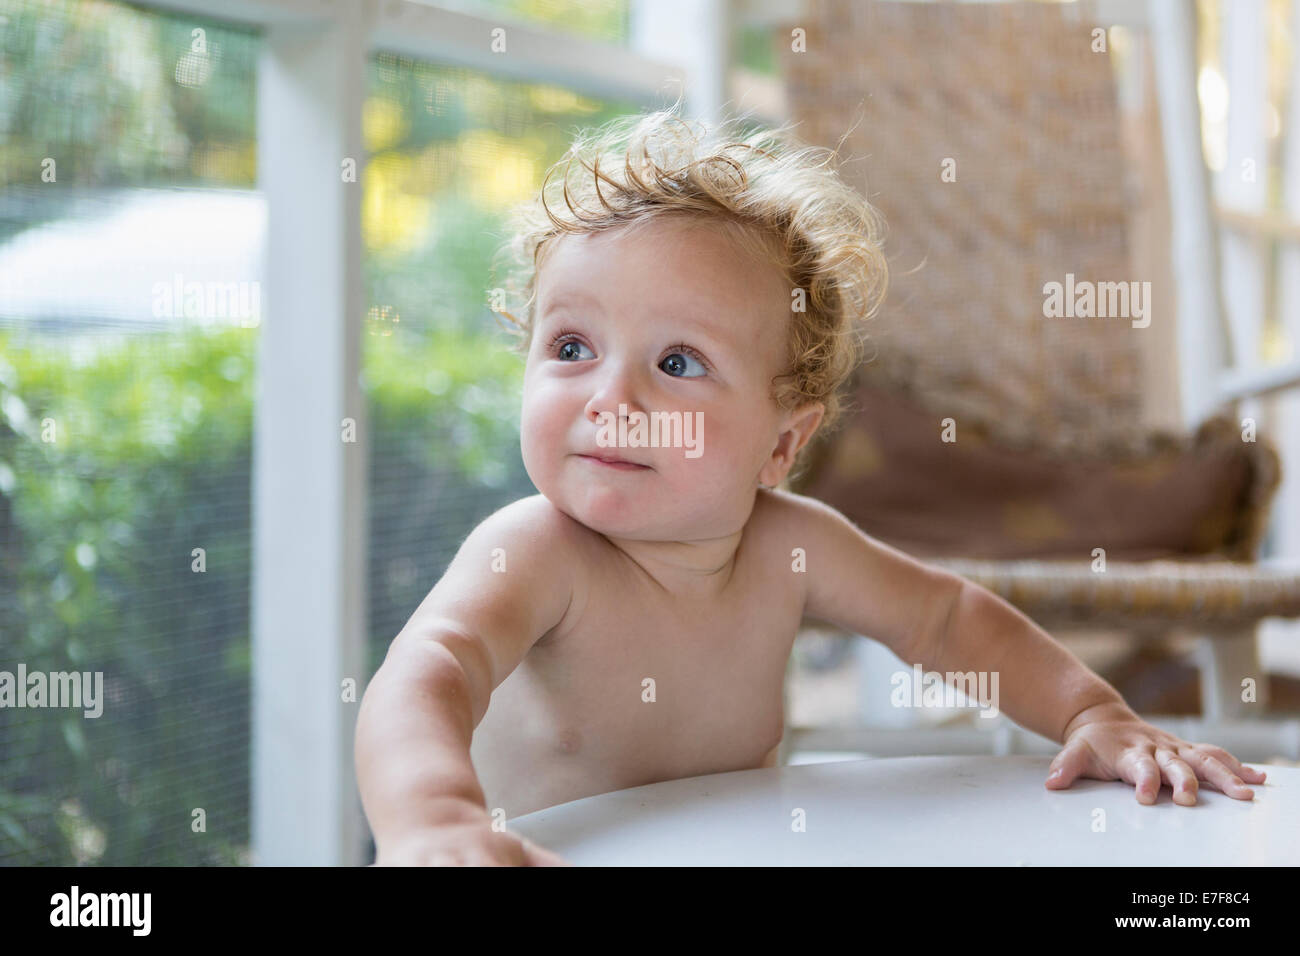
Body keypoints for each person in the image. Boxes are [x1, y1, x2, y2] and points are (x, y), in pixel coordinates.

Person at [355, 101, 1265, 866]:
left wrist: (1089, 709)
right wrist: (434, 819)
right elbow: (428, 673)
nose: (609, 396)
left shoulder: (791, 545)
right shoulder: (536, 550)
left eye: (677, 360)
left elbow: (946, 619)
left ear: (782, 444)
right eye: (571, 347)